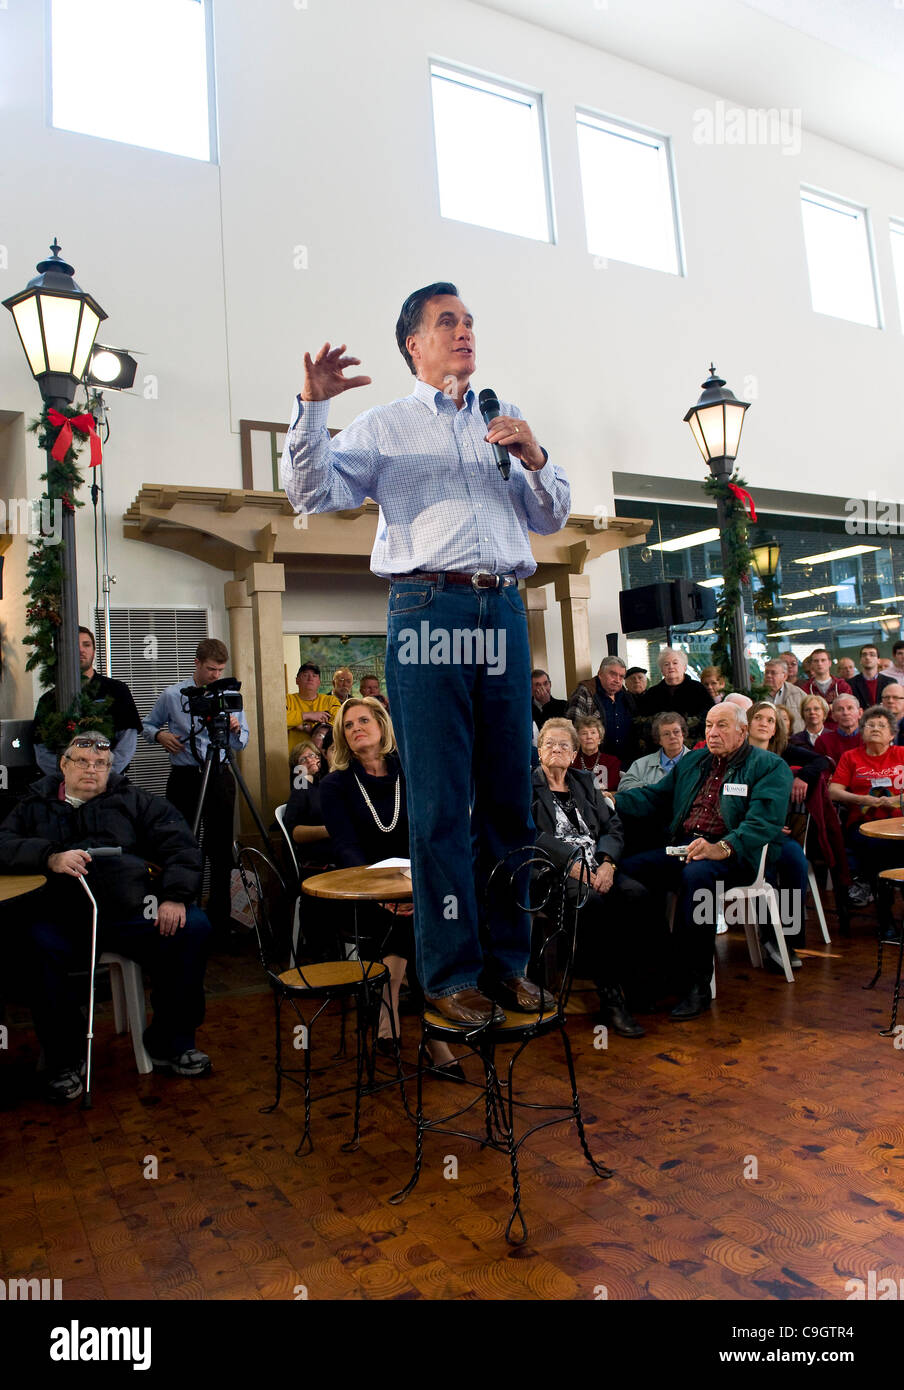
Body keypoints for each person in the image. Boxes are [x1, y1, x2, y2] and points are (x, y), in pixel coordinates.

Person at [281, 282, 570, 1027]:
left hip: (502, 607)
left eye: (470, 321)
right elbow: (311, 494)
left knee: (509, 799)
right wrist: (313, 407)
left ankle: (508, 965)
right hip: (427, 607)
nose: (465, 331)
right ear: (414, 343)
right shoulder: (384, 426)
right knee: (440, 803)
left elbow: (552, 512)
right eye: (448, 322)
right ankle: (448, 974)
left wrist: (535, 454)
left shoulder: (502, 421)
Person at [0, 730, 212, 1099]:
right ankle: (65, 1058)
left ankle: (171, 1043)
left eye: (100, 764)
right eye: (81, 761)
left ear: (111, 769)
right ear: (63, 765)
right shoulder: (35, 803)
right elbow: (3, 844)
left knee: (192, 927)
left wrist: (174, 897)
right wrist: (48, 855)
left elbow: (180, 844)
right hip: (64, 916)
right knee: (33, 944)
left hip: (131, 911)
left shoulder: (133, 799)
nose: (91, 769)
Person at [617, 703, 792, 1019]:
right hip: (685, 848)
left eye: (722, 726)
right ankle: (661, 966)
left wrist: (722, 847)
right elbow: (655, 797)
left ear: (742, 730)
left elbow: (762, 823)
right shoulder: (695, 761)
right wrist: (611, 800)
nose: (712, 732)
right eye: (709, 725)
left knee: (697, 878)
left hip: (735, 855)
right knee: (627, 872)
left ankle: (695, 986)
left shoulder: (769, 766)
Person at [319, 699, 460, 1074]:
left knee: (432, 914)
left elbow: (430, 832)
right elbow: (345, 846)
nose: (356, 728)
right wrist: (381, 892)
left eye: (364, 720)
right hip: (363, 888)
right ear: (343, 737)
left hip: (416, 883)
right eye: (348, 725)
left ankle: (391, 1012)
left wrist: (415, 886)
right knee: (411, 927)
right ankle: (432, 1036)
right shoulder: (335, 785)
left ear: (382, 726)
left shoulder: (411, 772)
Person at [531, 719, 656, 1038]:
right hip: (554, 872)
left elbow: (613, 826)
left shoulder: (584, 782)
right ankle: (611, 999)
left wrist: (608, 864)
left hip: (596, 865)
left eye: (564, 745)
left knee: (637, 895)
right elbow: (528, 834)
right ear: (539, 750)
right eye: (550, 744)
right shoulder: (527, 787)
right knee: (594, 904)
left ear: (574, 753)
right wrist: (572, 866)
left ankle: (640, 988)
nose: (557, 749)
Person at [142, 638, 250, 936]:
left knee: (220, 851)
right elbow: (147, 725)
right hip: (186, 778)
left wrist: (236, 730)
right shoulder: (173, 695)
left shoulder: (230, 695)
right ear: (197, 664)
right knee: (183, 846)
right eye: (211, 669)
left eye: (220, 670)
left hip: (220, 774)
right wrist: (160, 736)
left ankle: (219, 919)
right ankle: (185, 915)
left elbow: (243, 741)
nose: (216, 675)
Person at [746, 701, 832, 969]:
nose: (763, 723)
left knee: (796, 860)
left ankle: (790, 939)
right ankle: (770, 939)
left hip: (776, 833)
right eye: (757, 718)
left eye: (770, 720)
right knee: (766, 871)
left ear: (775, 729)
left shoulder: (781, 751)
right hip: (748, 833)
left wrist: (802, 776)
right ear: (746, 723)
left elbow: (824, 760)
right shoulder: (736, 754)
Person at [830, 707, 904, 939]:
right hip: (863, 826)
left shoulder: (902, 754)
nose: (875, 729)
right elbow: (833, 791)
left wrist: (897, 800)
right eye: (870, 725)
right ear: (862, 732)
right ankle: (885, 917)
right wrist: (861, 799)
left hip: (899, 825)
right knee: (876, 850)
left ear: (892, 734)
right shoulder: (851, 757)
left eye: (881, 726)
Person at [33, 626, 142, 777]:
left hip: (109, 782)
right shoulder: (49, 699)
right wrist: (69, 776)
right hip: (65, 784)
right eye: (74, 645)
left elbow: (127, 741)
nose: (81, 650)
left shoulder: (117, 690)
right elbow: (41, 749)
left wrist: (103, 774)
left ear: (94, 650)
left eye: (86, 645)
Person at [566, 656, 637, 768]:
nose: (617, 680)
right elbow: (574, 732)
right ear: (600, 673)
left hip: (627, 763)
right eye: (613, 674)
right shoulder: (585, 692)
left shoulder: (626, 696)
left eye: (621, 676)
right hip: (597, 766)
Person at [638, 649, 713, 745]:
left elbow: (709, 718)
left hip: (693, 746)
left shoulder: (698, 689)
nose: (671, 667)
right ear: (662, 670)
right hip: (661, 748)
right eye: (666, 664)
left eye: (675, 663)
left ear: (684, 667)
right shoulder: (652, 693)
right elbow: (642, 723)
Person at [284, 739, 333, 876]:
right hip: (317, 858)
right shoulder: (300, 788)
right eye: (303, 759)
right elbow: (294, 832)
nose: (310, 760)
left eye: (313, 755)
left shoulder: (324, 785)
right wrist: (329, 830)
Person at [617, 712, 689, 792]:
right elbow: (623, 786)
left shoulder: (698, 761)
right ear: (659, 740)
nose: (672, 736)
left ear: (683, 734)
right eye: (666, 734)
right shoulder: (641, 764)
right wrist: (652, 788)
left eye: (676, 732)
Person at [286, 663, 341, 756]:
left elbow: (338, 722)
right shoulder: (287, 700)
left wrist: (307, 727)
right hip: (295, 758)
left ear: (319, 681)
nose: (310, 678)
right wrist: (307, 715)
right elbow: (280, 720)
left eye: (314, 676)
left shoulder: (330, 700)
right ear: (297, 680)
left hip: (325, 757)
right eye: (305, 675)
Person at [571, 714, 621, 792]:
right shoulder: (571, 761)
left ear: (600, 738)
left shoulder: (612, 761)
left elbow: (613, 786)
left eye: (593, 732)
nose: (589, 737)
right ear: (578, 739)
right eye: (584, 733)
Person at [815, 694, 863, 767]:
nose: (845, 713)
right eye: (840, 709)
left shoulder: (871, 739)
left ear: (860, 713)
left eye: (850, 708)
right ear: (833, 716)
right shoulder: (823, 741)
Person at [762, 658, 806, 733]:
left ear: (784, 676)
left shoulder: (798, 694)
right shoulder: (757, 693)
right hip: (766, 738)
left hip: (793, 739)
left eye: (773, 673)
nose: (769, 676)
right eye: (767, 672)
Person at [849, 645, 897, 712]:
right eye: (864, 655)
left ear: (878, 660)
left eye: (872, 655)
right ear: (860, 660)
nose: (867, 657)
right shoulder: (850, 684)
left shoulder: (891, 682)